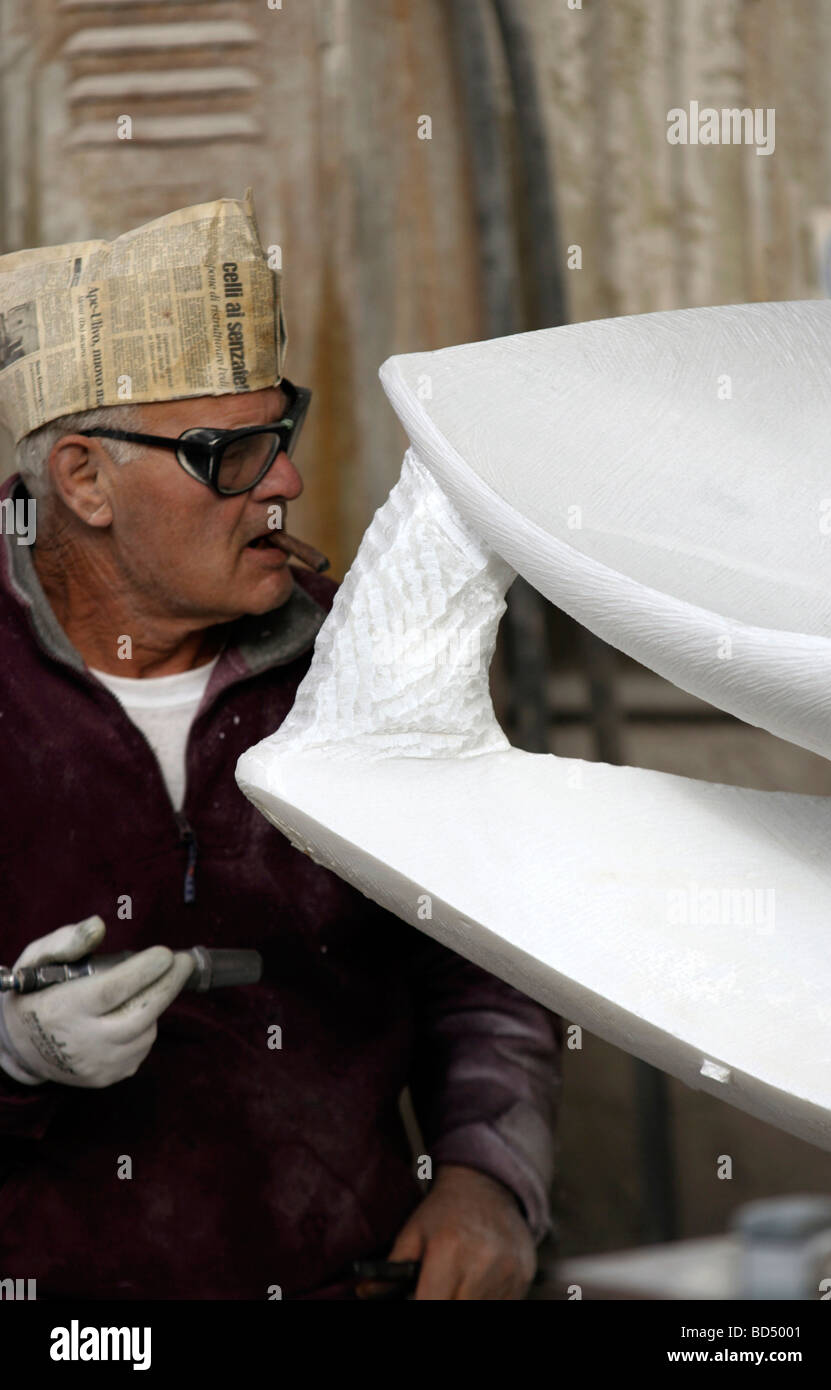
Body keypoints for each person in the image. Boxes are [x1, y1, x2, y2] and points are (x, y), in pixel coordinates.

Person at [0, 197, 563, 1300]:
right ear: (83, 480)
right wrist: (12, 1054)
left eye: (282, 431)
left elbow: (487, 961)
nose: (287, 484)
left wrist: (490, 1178)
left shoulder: (354, 655)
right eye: (229, 454)